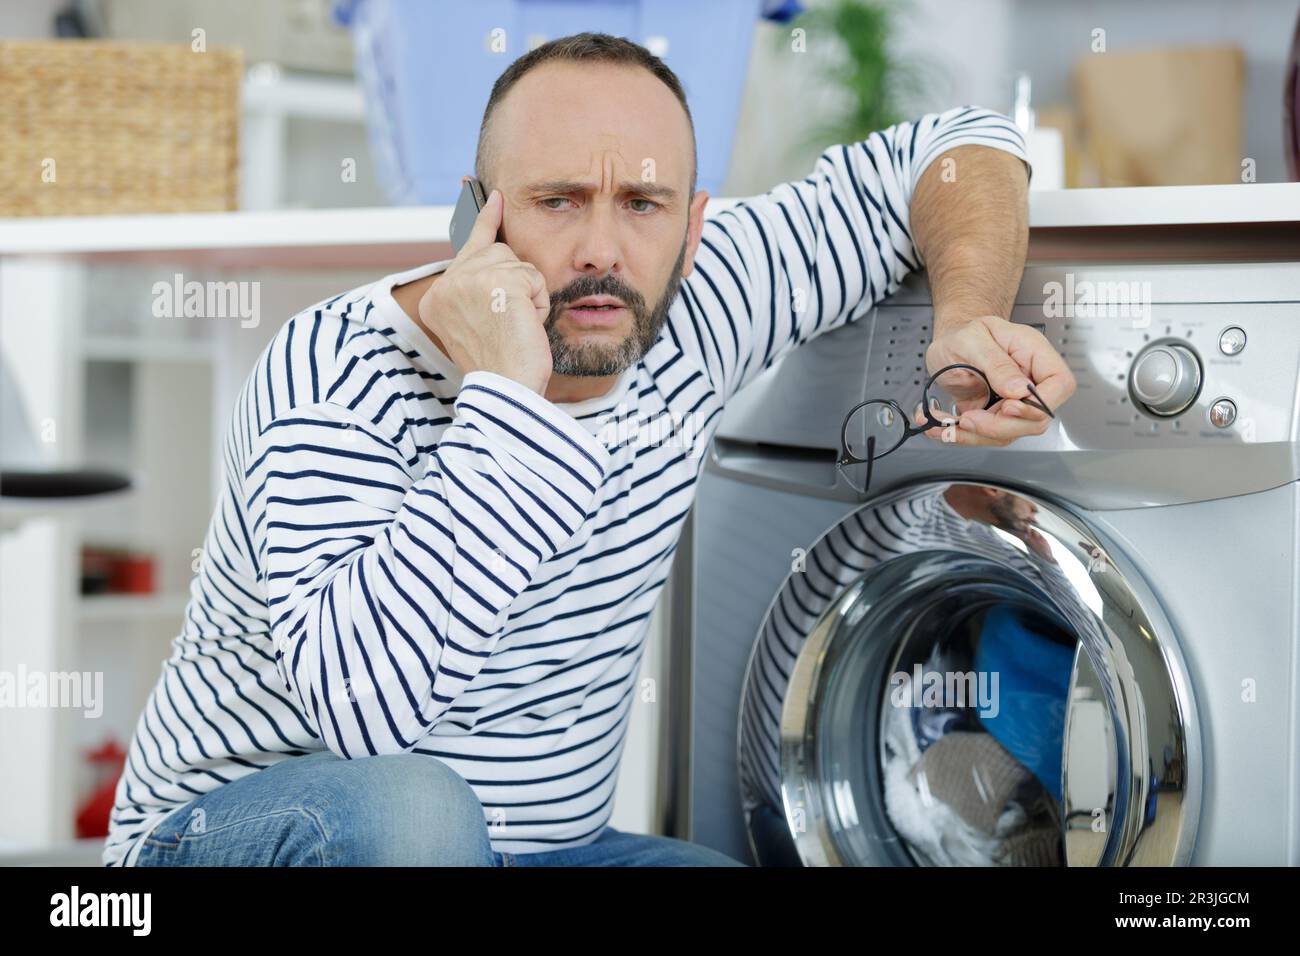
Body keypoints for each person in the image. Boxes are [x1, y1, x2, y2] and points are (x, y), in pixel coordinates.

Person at [104, 31, 1074, 867]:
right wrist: (505, 397)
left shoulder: (704, 295)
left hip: (539, 846)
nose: (602, 249)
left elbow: (961, 144)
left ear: (695, 228)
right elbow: (367, 719)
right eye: (559, 200)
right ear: (475, 215)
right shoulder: (333, 372)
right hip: (237, 832)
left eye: (643, 204)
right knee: (418, 813)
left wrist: (967, 316)